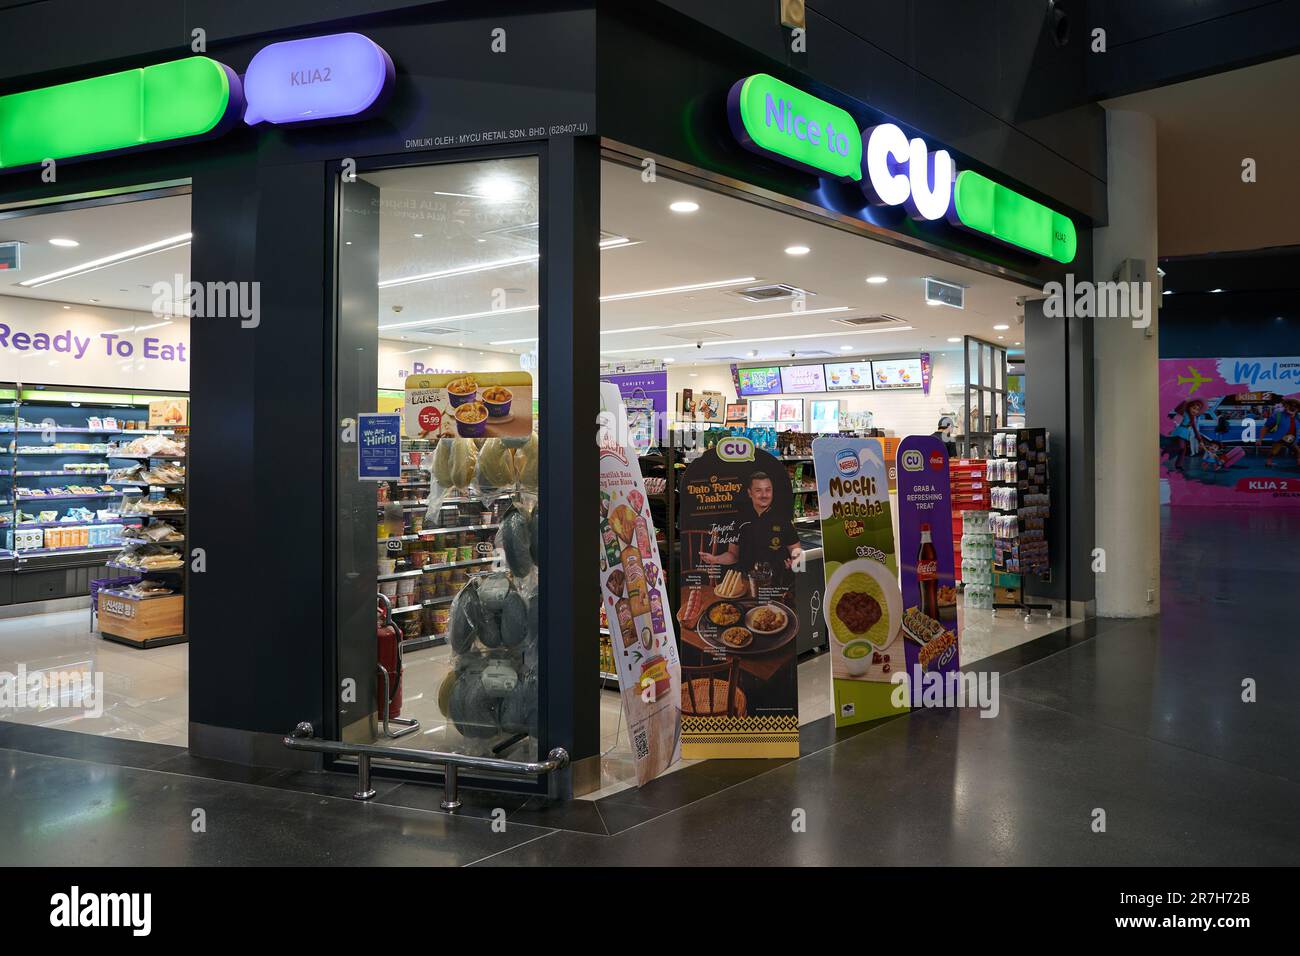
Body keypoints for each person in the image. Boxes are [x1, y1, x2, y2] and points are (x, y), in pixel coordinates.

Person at [698, 471, 802, 580]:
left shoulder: (783, 519)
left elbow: (797, 552)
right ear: (749, 493)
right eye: (758, 490)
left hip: (775, 585)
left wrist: (795, 563)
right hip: (746, 582)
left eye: (768, 490)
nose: (764, 495)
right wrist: (715, 559)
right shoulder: (740, 519)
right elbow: (733, 555)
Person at [1167, 399, 1206, 471]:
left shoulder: (1192, 418)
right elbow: (1177, 409)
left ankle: (1178, 465)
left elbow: (1195, 430)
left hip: (1185, 434)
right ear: (1189, 407)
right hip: (1179, 432)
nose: (1195, 411)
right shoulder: (1184, 413)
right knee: (1181, 447)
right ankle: (1168, 450)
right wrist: (1185, 401)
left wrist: (1200, 440)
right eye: (1193, 408)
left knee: (1183, 450)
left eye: (1197, 409)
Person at [1261, 397, 1300, 468]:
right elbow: (1266, 427)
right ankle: (1268, 462)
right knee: (1274, 451)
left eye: (1295, 406)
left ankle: (1298, 462)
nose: (1293, 408)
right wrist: (1260, 439)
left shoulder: (1298, 417)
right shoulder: (1278, 415)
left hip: (1292, 438)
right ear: (1286, 406)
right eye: (1290, 405)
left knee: (1297, 451)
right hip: (1280, 438)